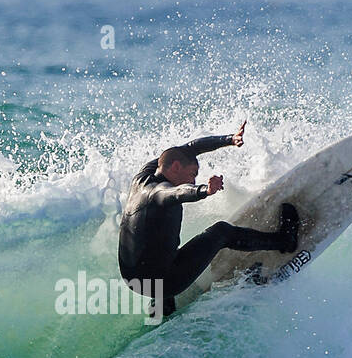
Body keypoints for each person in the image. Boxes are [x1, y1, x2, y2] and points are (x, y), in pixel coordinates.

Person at [118, 121, 299, 317]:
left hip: (132, 277)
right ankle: (284, 241)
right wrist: (204, 190)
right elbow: (177, 193)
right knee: (221, 232)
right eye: (192, 174)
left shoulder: (144, 175)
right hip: (161, 280)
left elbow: (190, 148)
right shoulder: (159, 192)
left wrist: (229, 140)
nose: (193, 179)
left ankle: (162, 306)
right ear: (176, 167)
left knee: (159, 238)